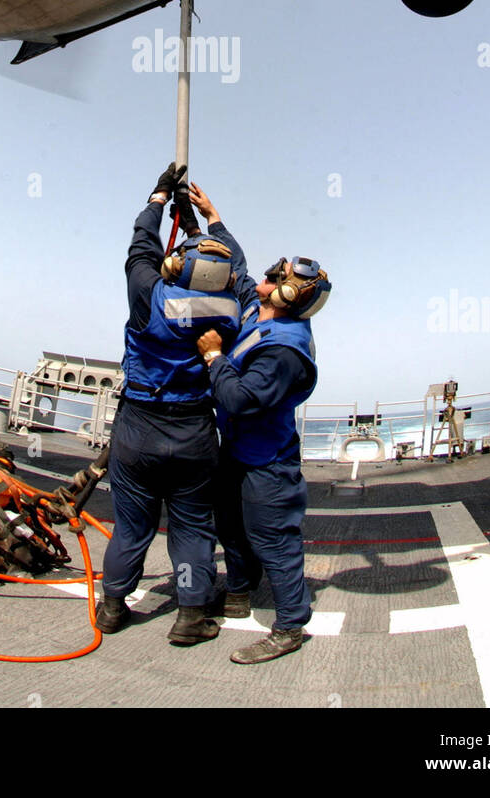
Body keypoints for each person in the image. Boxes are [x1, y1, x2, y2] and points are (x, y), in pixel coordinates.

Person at [96, 163, 244, 645]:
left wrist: (160, 198)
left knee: (131, 527)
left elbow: (141, 243)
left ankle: (114, 607)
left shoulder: (148, 295)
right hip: (193, 432)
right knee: (191, 529)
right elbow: (237, 270)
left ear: (179, 266)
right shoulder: (230, 311)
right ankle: (190, 617)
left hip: (138, 427)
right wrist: (211, 222)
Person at [189, 192, 330, 665]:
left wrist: (213, 355)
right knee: (230, 524)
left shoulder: (286, 349)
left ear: (289, 294)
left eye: (278, 277)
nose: (268, 277)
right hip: (238, 452)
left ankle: (290, 624)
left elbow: (239, 399)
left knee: (275, 540)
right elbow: (242, 272)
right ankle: (239, 590)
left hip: (268, 463)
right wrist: (214, 219)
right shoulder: (261, 313)